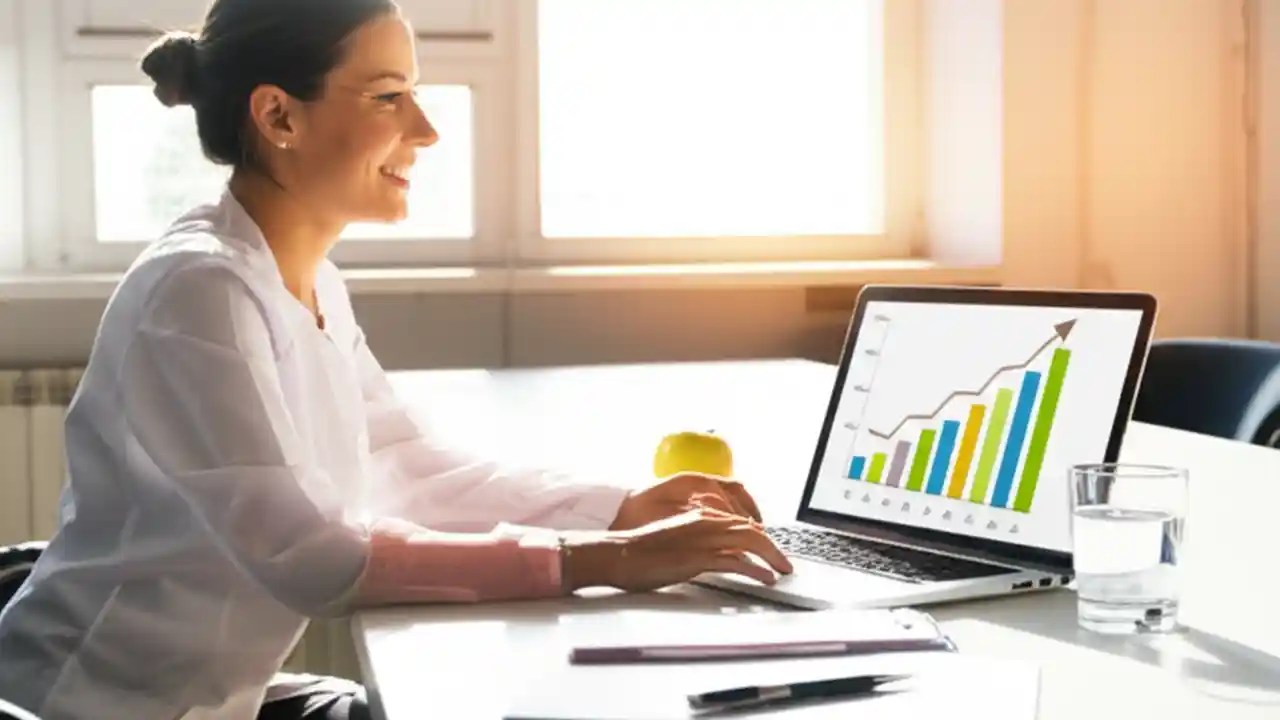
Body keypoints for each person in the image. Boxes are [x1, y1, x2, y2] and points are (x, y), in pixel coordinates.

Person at [0, 1, 793, 718]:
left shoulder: (301, 278)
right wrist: (603, 558)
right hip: (88, 707)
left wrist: (621, 507)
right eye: (388, 97)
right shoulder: (197, 289)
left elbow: (403, 462)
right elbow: (311, 559)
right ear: (278, 114)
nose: (425, 129)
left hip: (203, 703)